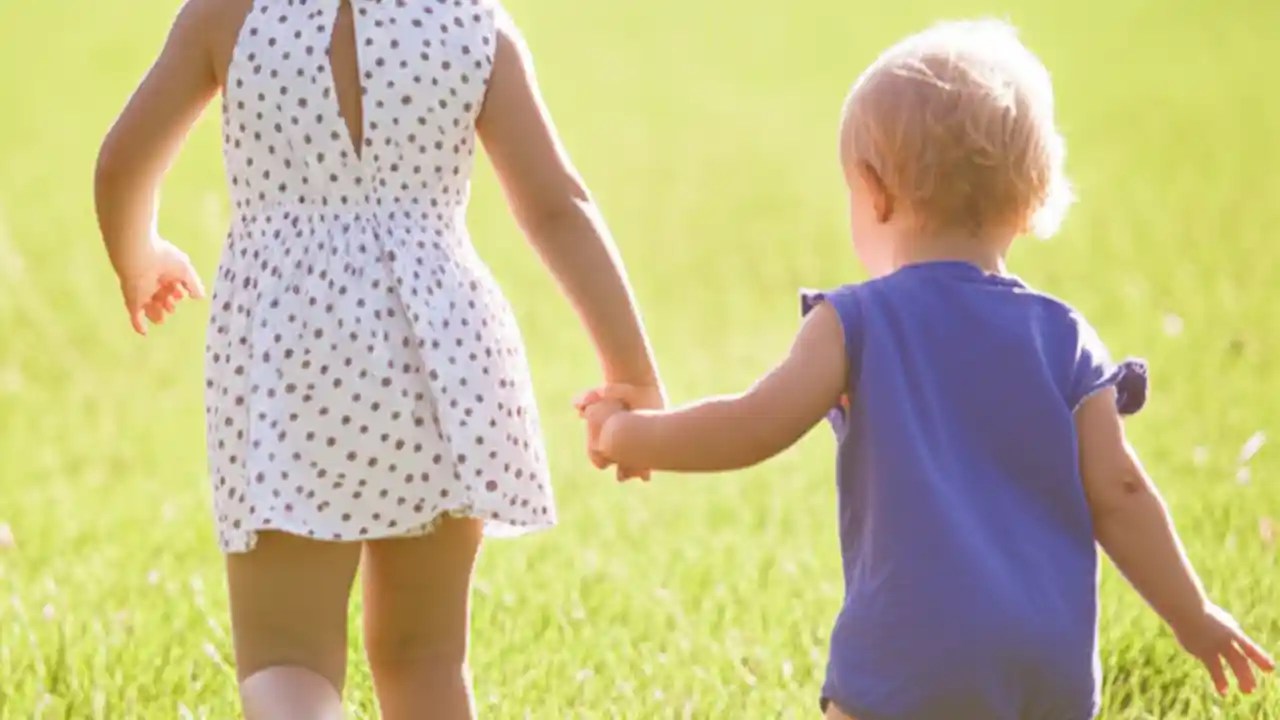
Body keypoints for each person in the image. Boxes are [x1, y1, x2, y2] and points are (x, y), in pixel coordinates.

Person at [577, 19, 1274, 720]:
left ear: (874, 193)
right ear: (1029, 198)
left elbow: (749, 425)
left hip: (909, 668)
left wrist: (627, 436)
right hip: (1046, 670)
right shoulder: (1063, 336)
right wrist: (1193, 614)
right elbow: (1121, 491)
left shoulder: (854, 323)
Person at [94, 1, 663, 717]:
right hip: (445, 349)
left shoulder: (229, 13)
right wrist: (631, 371)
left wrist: (139, 253)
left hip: (293, 350)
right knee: (425, 657)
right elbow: (557, 205)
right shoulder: (472, 24)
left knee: (287, 658)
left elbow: (121, 163)